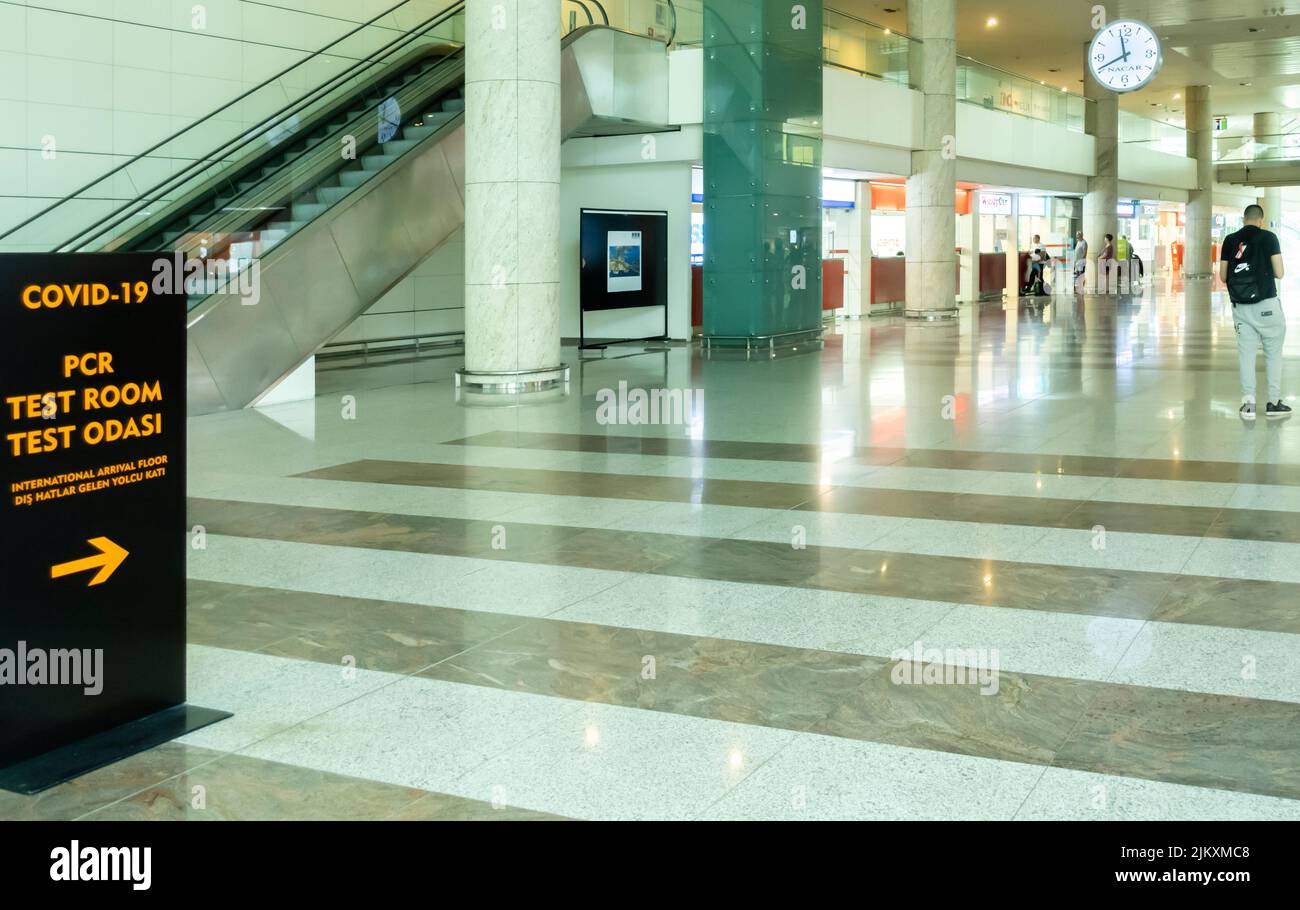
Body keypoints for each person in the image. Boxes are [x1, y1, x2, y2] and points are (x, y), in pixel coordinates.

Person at [1219, 204, 1291, 420]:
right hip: (1267, 306)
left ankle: (1248, 405)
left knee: (1247, 355)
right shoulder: (1269, 238)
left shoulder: (1230, 240)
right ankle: (1273, 403)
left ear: (1244, 219)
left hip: (1241, 308)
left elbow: (1223, 276)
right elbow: (1279, 272)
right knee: (1273, 354)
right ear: (1261, 219)